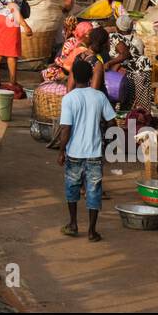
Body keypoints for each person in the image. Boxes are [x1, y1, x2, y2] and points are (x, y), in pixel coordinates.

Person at [57, 57, 116, 242]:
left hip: (74, 153)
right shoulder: (99, 96)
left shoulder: (69, 98)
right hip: (95, 153)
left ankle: (73, 224)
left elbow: (65, 129)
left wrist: (61, 151)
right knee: (94, 191)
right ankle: (92, 231)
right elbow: (112, 122)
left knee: (72, 189)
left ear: (74, 76)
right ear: (91, 76)